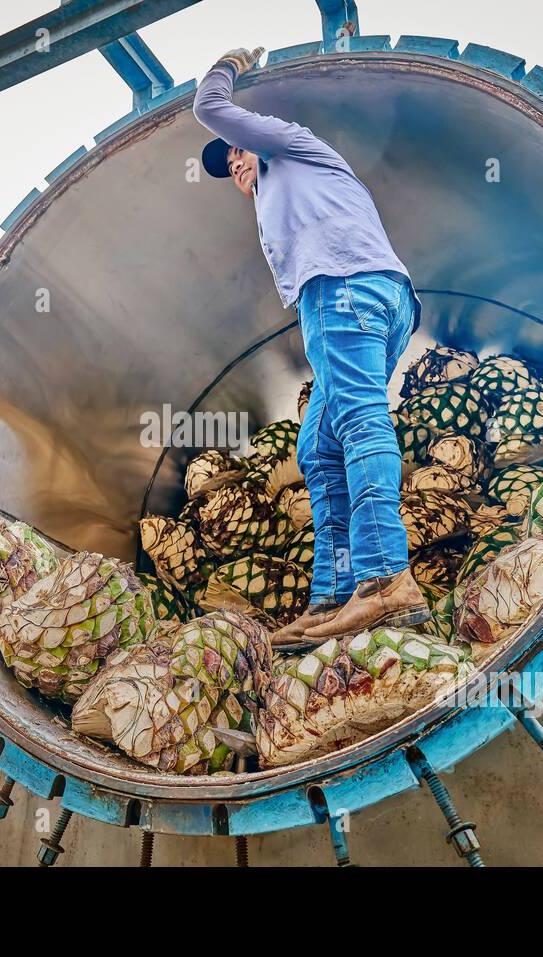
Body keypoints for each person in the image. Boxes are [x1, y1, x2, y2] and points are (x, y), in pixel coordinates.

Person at [193, 47, 430, 649]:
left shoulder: (291, 144)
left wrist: (230, 64)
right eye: (227, 167)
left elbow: (209, 106)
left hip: (345, 289)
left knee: (356, 419)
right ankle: (333, 595)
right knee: (318, 447)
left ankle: (385, 579)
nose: (235, 164)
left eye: (237, 150)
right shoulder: (279, 194)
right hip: (369, 295)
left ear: (256, 138)